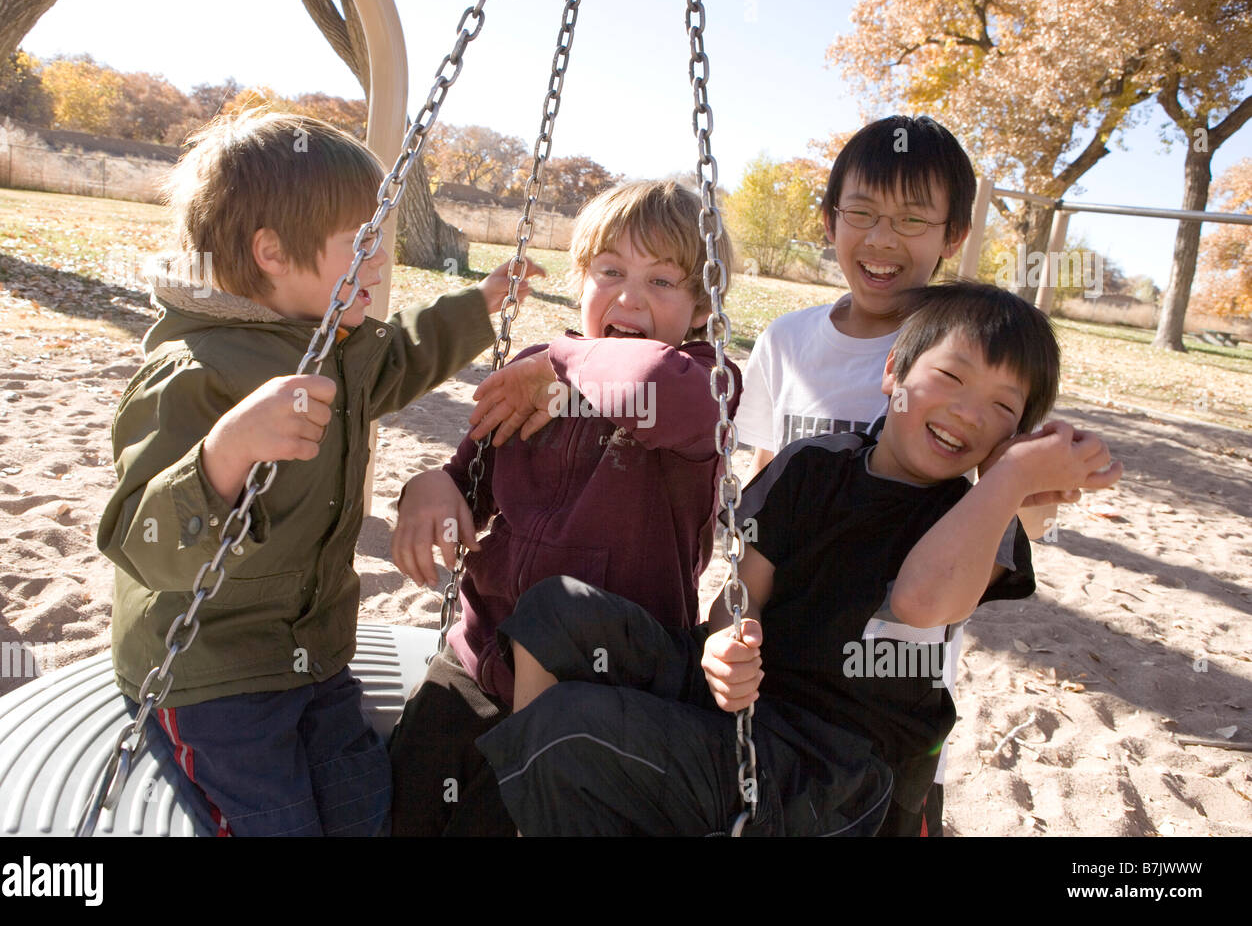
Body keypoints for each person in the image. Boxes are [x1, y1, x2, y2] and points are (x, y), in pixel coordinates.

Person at [478, 282, 1116, 836]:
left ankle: (555, 783)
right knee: (555, 609)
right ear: (893, 371)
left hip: (835, 777)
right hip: (753, 705)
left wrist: (1010, 479)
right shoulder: (814, 463)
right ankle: (541, 809)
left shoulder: (977, 521)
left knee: (573, 727)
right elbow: (742, 589)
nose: (967, 412)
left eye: (1003, 408)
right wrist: (726, 639)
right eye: (950, 377)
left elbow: (922, 603)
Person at [97, 110, 538, 836]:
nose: (381, 264)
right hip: (211, 673)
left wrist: (477, 308)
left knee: (365, 808)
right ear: (270, 251)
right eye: (361, 246)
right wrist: (226, 452)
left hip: (314, 657)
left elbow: (403, 360)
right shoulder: (193, 372)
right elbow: (137, 539)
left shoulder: (342, 340)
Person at [734, 115, 1122, 832]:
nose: (883, 240)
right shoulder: (788, 342)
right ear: (829, 220)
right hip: (780, 670)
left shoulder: (971, 352)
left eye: (913, 220)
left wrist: (1044, 480)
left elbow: (1018, 517)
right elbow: (763, 487)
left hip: (893, 687)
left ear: (952, 238)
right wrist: (740, 622)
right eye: (863, 214)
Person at [387, 179, 741, 836]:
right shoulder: (530, 371)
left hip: (597, 686)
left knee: (506, 818)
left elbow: (643, 382)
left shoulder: (704, 382)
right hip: (479, 653)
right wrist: (430, 487)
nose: (629, 296)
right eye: (610, 271)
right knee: (407, 802)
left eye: (662, 281)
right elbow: (470, 477)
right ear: (581, 277)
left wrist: (560, 360)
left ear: (702, 308)